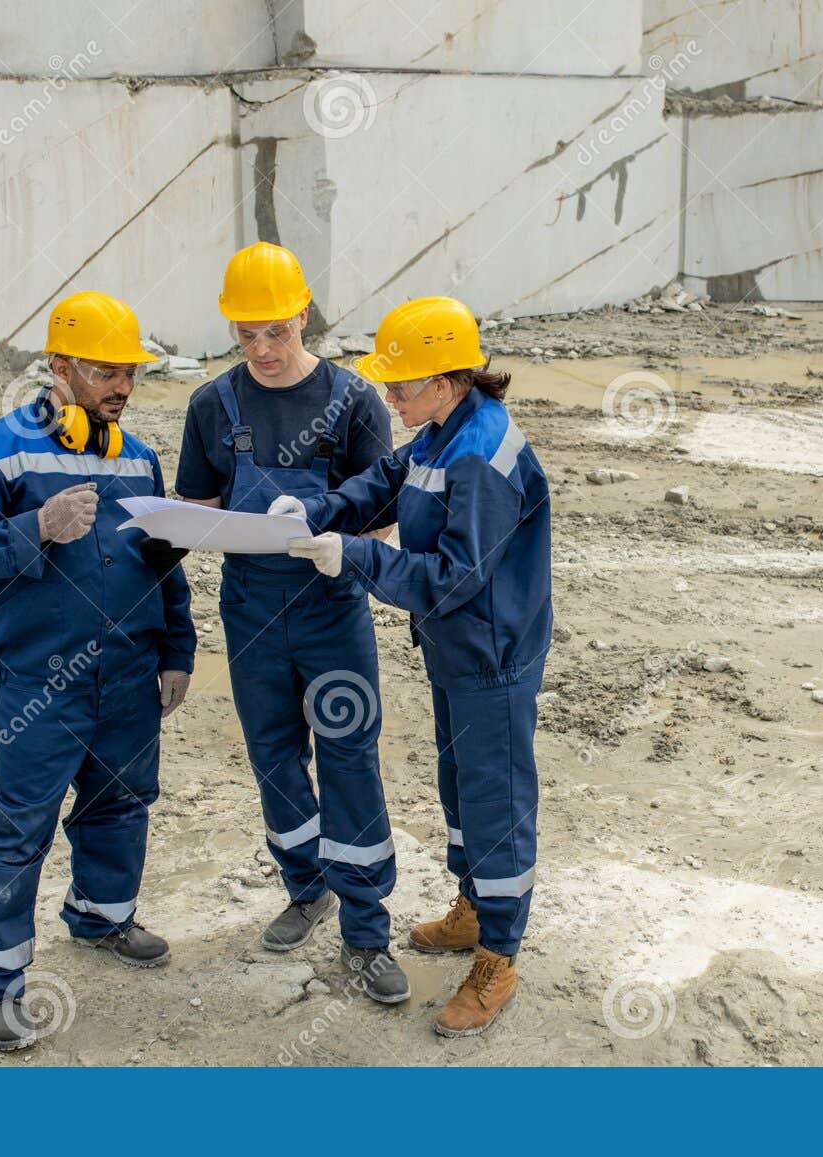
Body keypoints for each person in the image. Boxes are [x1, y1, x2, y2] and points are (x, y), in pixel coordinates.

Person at [278, 296, 552, 1038]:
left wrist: (358, 556)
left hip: (490, 653)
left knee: (495, 802)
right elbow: (388, 481)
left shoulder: (482, 454)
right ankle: (474, 907)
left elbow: (456, 575)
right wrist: (320, 512)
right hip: (456, 648)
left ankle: (499, 953)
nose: (388, 396)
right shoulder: (438, 431)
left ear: (447, 378)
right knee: (460, 781)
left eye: (401, 384)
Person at [0, 291, 196, 1051]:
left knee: (120, 803)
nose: (121, 384)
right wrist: (35, 527)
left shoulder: (137, 456)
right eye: (104, 369)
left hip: (130, 674)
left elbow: (162, 561)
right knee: (18, 825)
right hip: (41, 681)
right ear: (58, 367)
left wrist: (177, 649)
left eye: (130, 372)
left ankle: (102, 916)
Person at [175, 242, 408, 1002]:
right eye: (247, 335)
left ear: (303, 313)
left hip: (330, 607)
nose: (263, 350)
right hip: (249, 608)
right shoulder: (213, 405)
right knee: (274, 753)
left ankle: (367, 929)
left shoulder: (356, 401)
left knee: (348, 753)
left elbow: (381, 518)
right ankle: (306, 884)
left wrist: (335, 538)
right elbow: (200, 513)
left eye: (275, 330)